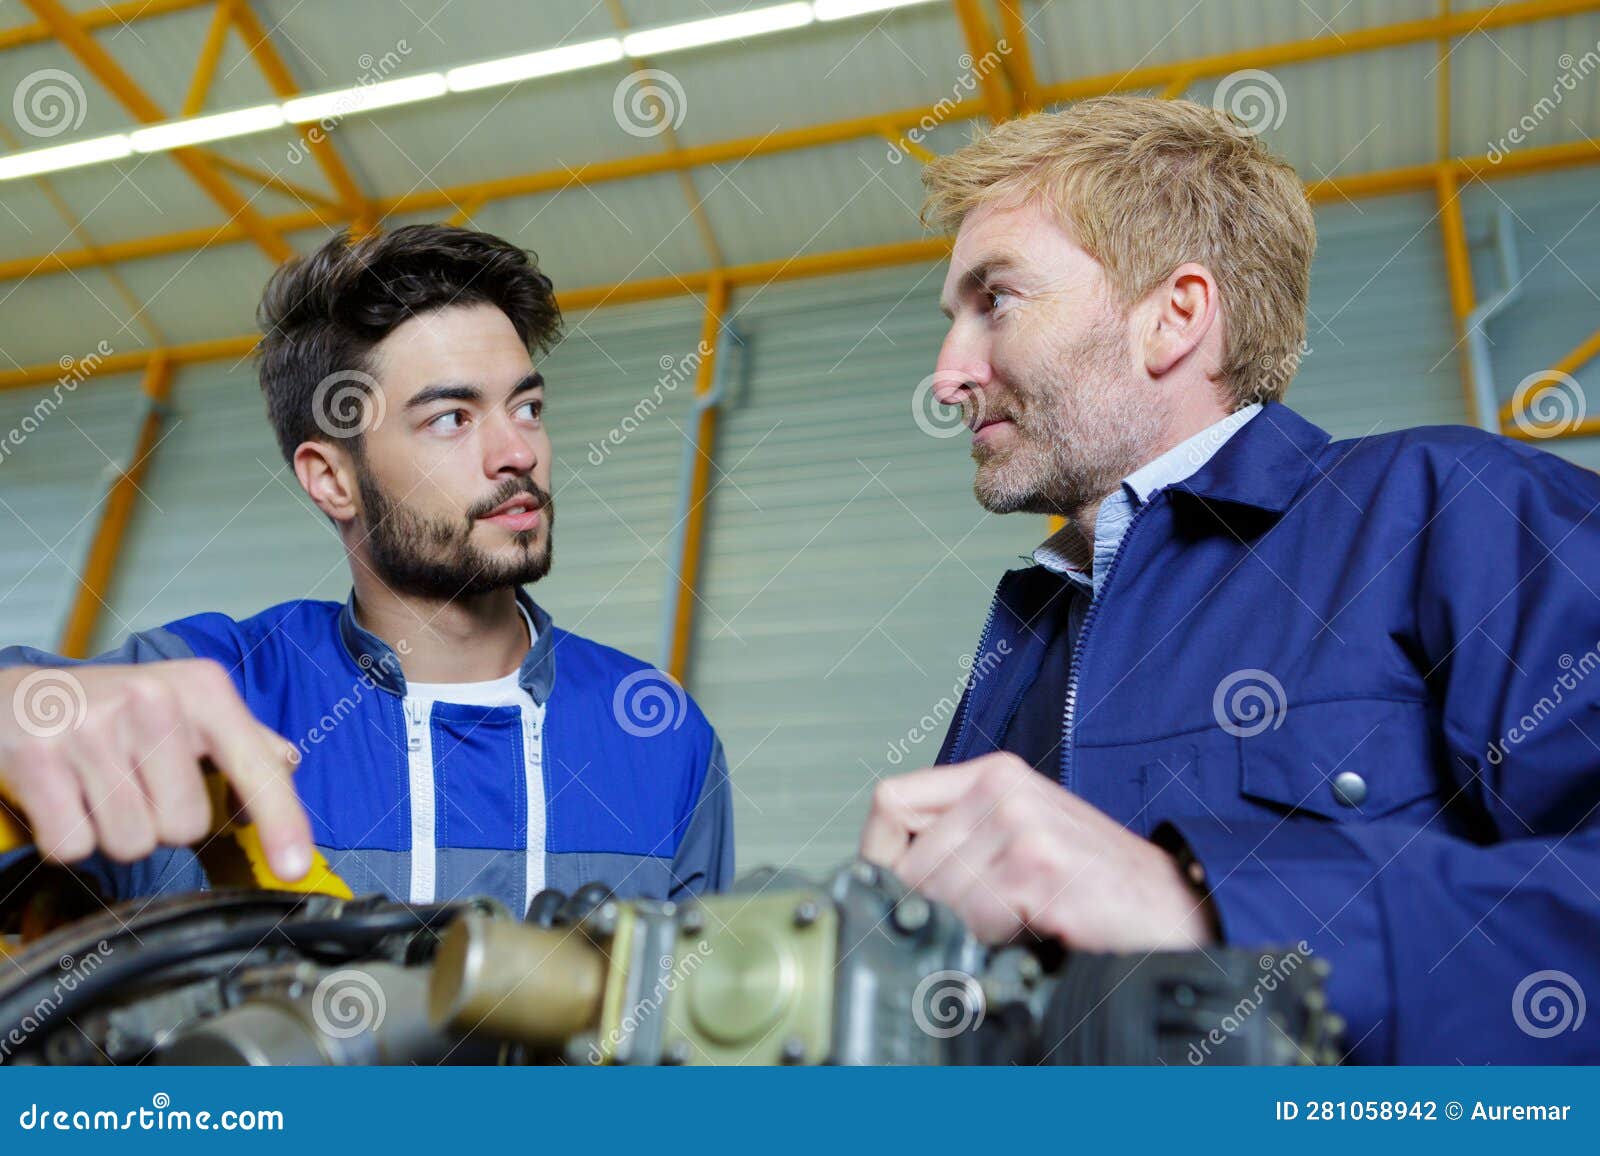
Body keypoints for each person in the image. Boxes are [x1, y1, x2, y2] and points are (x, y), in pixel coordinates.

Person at [860, 96, 1600, 1064]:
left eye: (993, 300)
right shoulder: (1024, 637)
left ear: (1173, 318)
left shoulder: (1452, 512)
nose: (947, 374)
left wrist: (1203, 912)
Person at [0, 224, 732, 914]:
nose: (518, 452)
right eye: (452, 418)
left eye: (529, 406)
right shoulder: (220, 689)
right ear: (331, 479)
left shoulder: (660, 733)